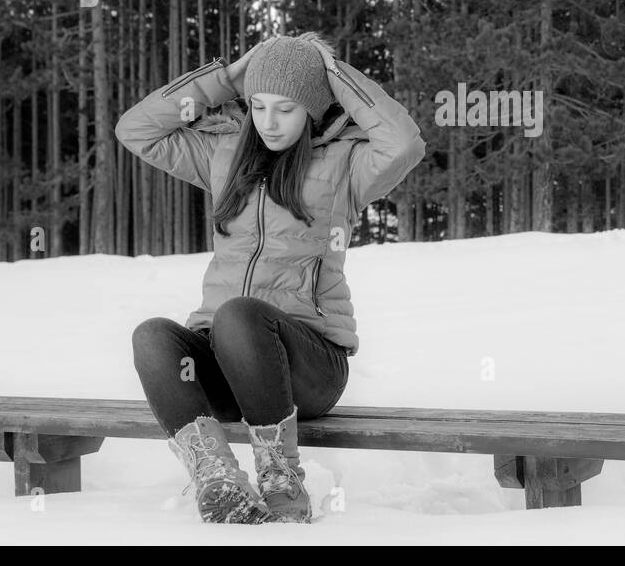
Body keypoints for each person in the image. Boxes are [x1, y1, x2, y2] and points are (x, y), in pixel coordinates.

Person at [116, 32, 425, 524]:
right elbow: (136, 129)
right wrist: (231, 75)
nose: (269, 121)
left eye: (286, 107)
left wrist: (334, 74)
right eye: (258, 105)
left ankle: (280, 475)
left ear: (312, 108)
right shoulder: (223, 155)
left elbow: (404, 142)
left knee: (238, 316)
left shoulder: (347, 163)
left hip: (309, 367)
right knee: (152, 336)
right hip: (227, 366)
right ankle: (217, 480)